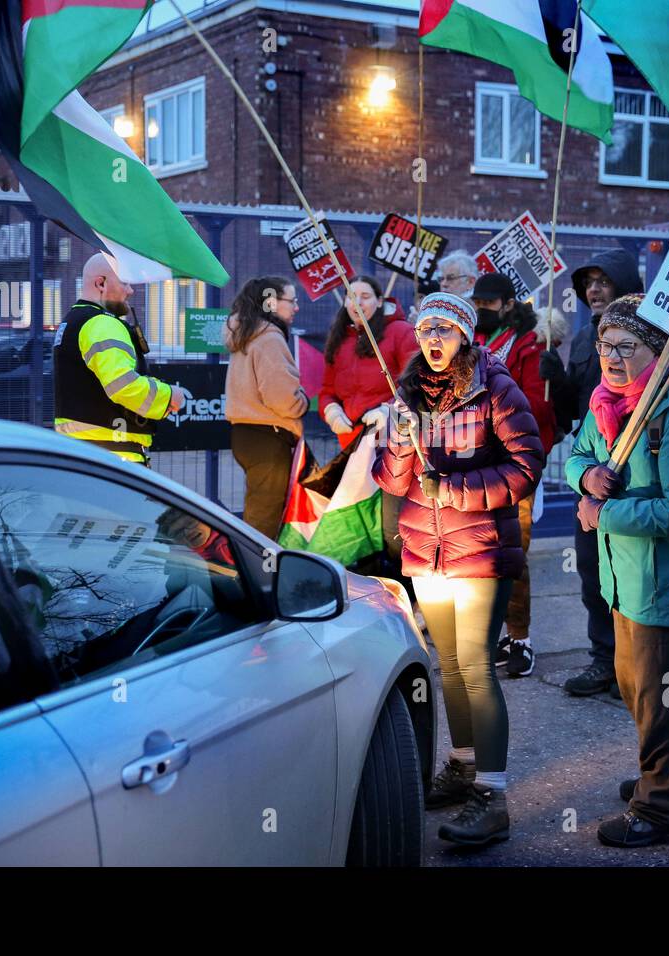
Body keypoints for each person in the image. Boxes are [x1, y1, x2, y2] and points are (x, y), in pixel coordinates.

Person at [373, 292, 544, 847]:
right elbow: (393, 482)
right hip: (427, 552)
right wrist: (399, 444)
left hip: (480, 550)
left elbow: (525, 466)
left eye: (446, 329)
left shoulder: (494, 386)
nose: (434, 339)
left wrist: (455, 490)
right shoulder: (408, 395)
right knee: (447, 665)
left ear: (467, 334)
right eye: (426, 330)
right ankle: (462, 763)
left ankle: (492, 797)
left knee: (475, 665)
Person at [566, 294, 669, 848]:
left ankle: (660, 811)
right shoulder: (607, 401)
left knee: (663, 701)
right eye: (604, 344)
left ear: (656, 350)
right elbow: (578, 455)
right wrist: (587, 480)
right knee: (637, 690)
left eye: (625, 346)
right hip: (624, 582)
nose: (610, 356)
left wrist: (606, 511)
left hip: (667, 587)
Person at [540, 248, 644, 698]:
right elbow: (570, 414)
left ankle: (638, 667)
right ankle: (604, 661)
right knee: (592, 569)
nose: (594, 289)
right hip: (593, 473)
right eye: (588, 282)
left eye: (603, 280)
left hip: (640, 472)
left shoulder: (654, 333)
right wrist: (555, 381)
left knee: (636, 575)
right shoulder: (584, 340)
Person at [470, 272, 556, 677]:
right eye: (478, 303)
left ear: (508, 303)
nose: (481, 310)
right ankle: (491, 633)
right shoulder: (481, 341)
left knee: (512, 552)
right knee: (482, 554)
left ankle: (520, 637)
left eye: (488, 304)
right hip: (479, 462)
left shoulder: (529, 344)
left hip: (514, 463)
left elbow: (537, 411)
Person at [320, 275, 418, 571]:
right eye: (351, 296)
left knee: (392, 528)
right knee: (359, 528)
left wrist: (390, 410)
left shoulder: (401, 332)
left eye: (364, 296)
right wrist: (331, 411)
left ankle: (413, 590)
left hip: (391, 446)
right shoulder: (340, 338)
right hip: (352, 449)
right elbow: (326, 389)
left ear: (379, 300)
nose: (357, 302)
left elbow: (416, 382)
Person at [52, 253, 184, 465]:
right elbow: (123, 385)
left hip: (81, 455)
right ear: (101, 283)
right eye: (125, 282)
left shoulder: (72, 321)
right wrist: (169, 396)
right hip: (112, 458)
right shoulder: (103, 324)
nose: (130, 291)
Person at [224, 276, 309, 540]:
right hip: (269, 439)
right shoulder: (269, 338)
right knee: (264, 524)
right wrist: (302, 401)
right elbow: (282, 399)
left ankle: (255, 572)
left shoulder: (247, 335)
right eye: (292, 300)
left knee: (258, 513)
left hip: (246, 436)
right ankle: (257, 576)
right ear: (271, 302)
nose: (296, 307)